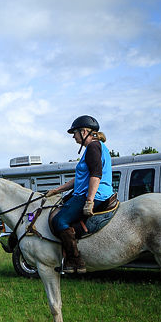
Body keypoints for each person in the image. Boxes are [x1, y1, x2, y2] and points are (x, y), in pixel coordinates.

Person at [46, 115, 113, 274]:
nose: (74, 137)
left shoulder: (93, 147)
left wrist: (89, 201)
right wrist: (57, 190)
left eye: (74, 133)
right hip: (89, 192)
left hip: (94, 195)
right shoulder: (97, 147)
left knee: (59, 220)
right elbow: (80, 178)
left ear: (84, 132)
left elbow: (96, 175)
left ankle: (75, 260)